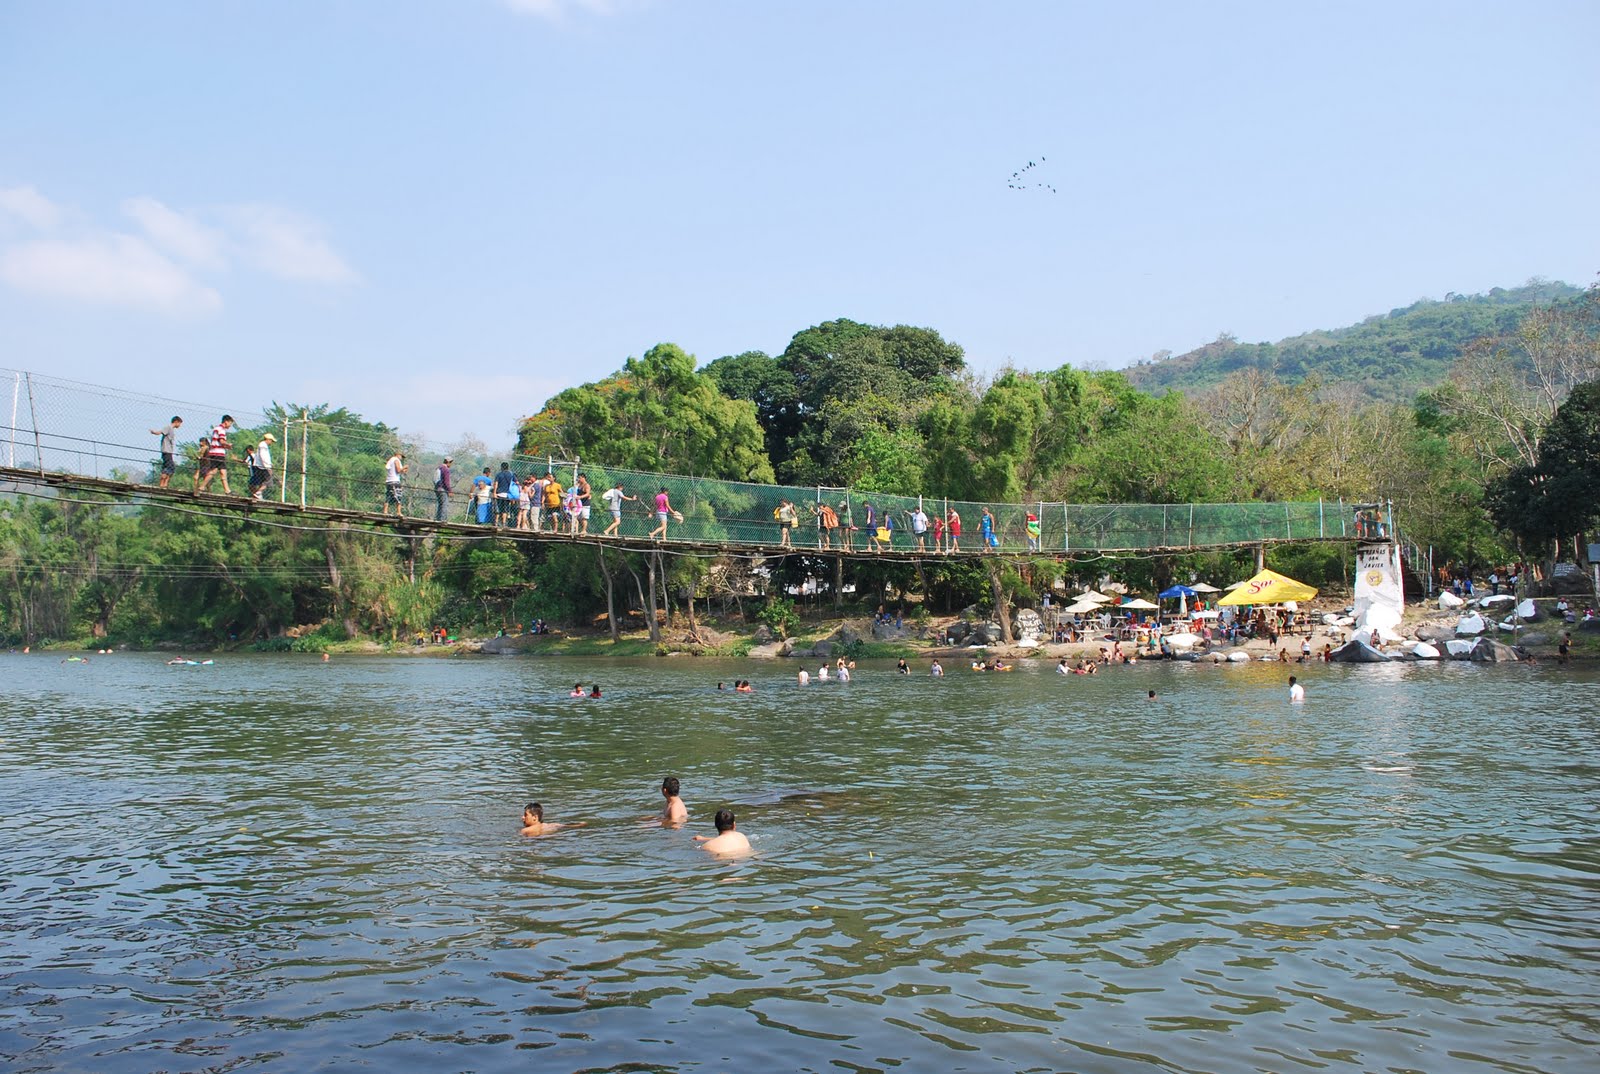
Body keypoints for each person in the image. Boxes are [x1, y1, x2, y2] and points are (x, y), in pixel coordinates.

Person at [194, 414, 235, 494]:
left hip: (215, 452)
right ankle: (202, 487)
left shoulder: (216, 429)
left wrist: (225, 446)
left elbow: (217, 442)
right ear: (226, 422)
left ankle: (227, 490)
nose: (230, 426)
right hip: (218, 454)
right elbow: (221, 441)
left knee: (222, 471)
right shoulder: (221, 430)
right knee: (214, 471)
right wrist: (228, 445)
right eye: (230, 423)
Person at [150, 415, 183, 488]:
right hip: (166, 451)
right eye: (180, 423)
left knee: (168, 467)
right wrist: (154, 432)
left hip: (169, 451)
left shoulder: (172, 429)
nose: (180, 425)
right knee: (170, 467)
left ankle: (164, 483)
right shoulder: (168, 427)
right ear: (176, 422)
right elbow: (160, 432)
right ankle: (163, 483)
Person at [248, 433, 276, 500]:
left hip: (260, 466)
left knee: (258, 481)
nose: (271, 442)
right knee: (268, 481)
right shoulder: (263, 445)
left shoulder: (262, 445)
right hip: (263, 467)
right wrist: (268, 466)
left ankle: (257, 495)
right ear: (268, 439)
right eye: (271, 441)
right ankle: (258, 493)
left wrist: (270, 463)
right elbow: (263, 456)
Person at [384, 451, 408, 516]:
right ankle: (398, 512)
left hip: (389, 481)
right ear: (398, 455)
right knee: (398, 496)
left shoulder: (390, 460)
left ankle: (385, 511)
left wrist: (404, 470)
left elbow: (397, 471)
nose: (401, 458)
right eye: (401, 456)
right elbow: (398, 470)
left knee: (388, 496)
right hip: (394, 481)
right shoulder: (396, 460)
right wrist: (404, 467)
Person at [433, 456, 453, 522]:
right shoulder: (445, 469)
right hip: (442, 489)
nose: (451, 464)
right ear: (448, 462)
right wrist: (450, 490)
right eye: (451, 463)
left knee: (440, 504)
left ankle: (438, 518)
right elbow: (446, 482)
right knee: (444, 504)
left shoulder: (439, 468)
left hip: (437, 488)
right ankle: (442, 519)